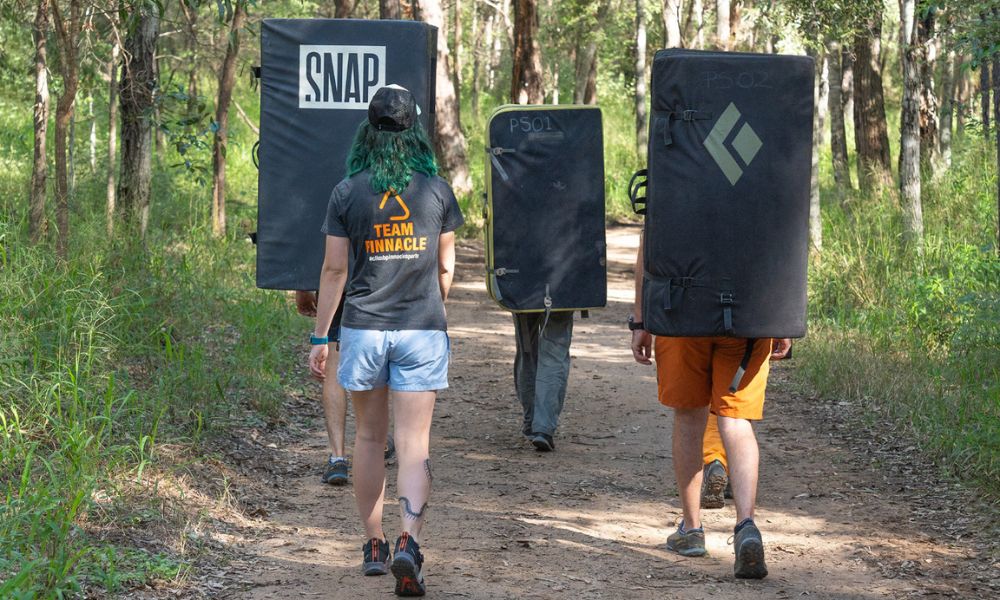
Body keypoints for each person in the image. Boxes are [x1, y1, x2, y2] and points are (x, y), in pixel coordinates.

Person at [308, 85, 462, 597]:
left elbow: (334, 270)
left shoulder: (348, 191)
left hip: (363, 328)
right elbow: (444, 269)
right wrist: (431, 304)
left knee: (370, 439)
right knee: (414, 445)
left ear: (368, 131)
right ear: (415, 128)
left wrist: (319, 335)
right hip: (421, 328)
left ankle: (372, 545)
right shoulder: (436, 191)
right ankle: (408, 542)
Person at [630, 231, 790, 579]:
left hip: (680, 309)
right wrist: (783, 313)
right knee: (736, 420)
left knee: (689, 418)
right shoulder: (759, 174)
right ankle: (746, 524)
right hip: (748, 310)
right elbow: (781, 237)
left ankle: (692, 529)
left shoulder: (671, 174)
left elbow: (651, 245)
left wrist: (641, 320)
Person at [295, 290, 352, 485]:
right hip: (383, 278)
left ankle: (338, 458)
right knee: (378, 354)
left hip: (338, 285)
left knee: (334, 362)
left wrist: (303, 287)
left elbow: (322, 262)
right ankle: (376, 442)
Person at [513, 311, 574, 451]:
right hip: (561, 292)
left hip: (523, 293)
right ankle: (543, 428)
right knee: (555, 350)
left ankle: (531, 422)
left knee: (526, 348)